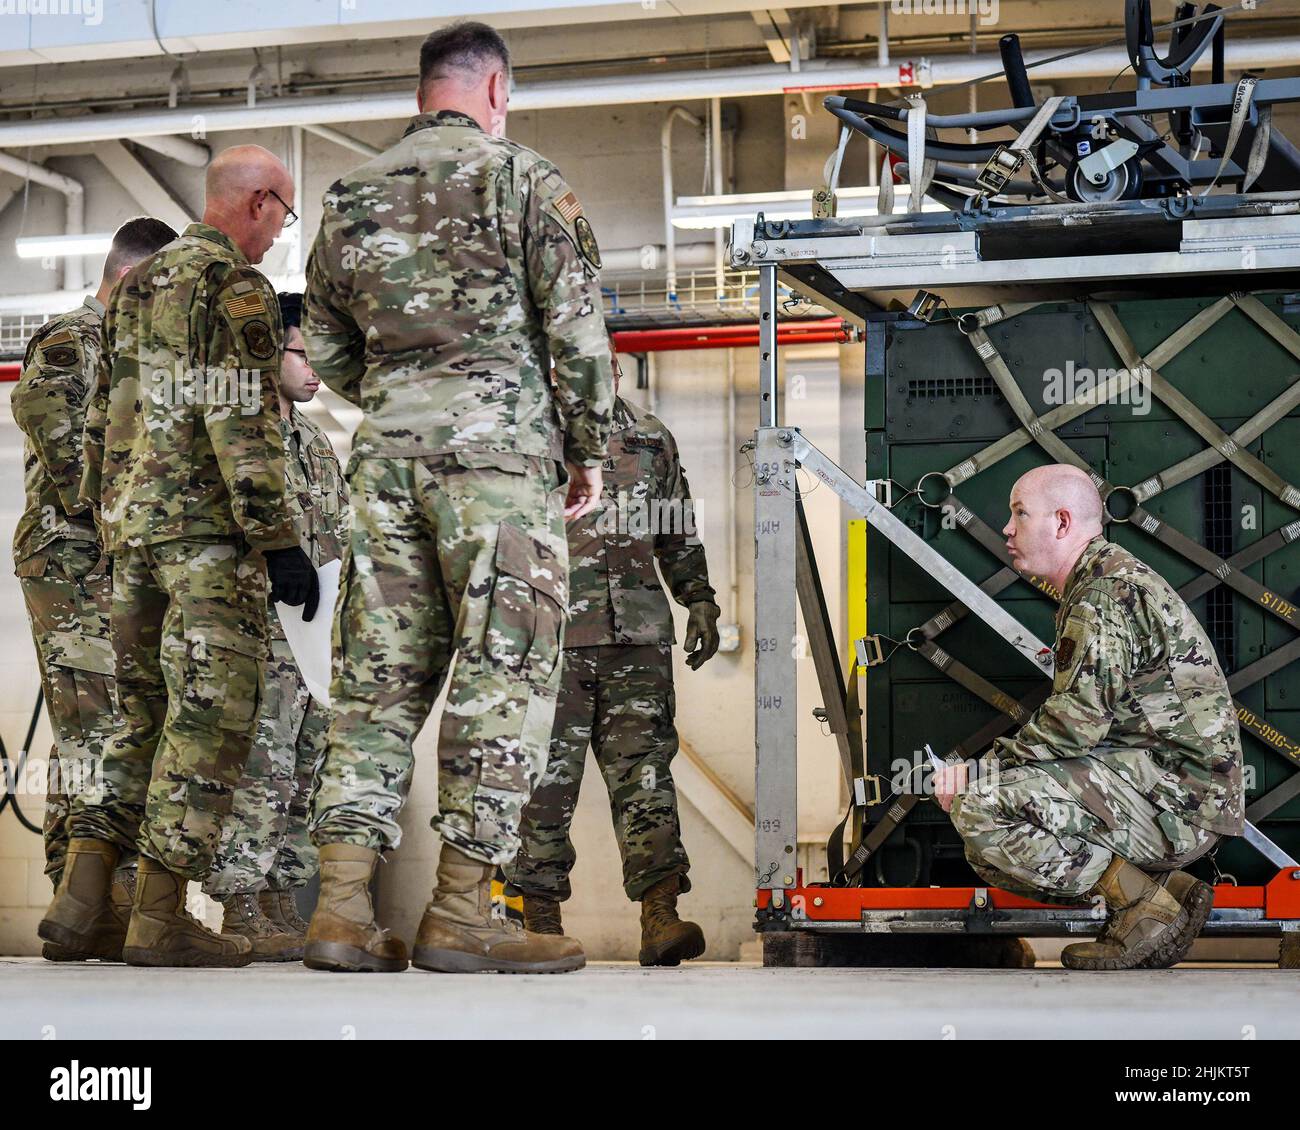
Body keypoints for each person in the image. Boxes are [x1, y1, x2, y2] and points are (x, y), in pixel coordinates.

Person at [302, 20, 613, 975]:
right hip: (498, 472)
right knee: (503, 674)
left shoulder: (350, 193)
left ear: (427, 87)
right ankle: (460, 912)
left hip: (385, 467)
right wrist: (588, 450)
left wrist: (403, 408)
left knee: (375, 686)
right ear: (495, 91)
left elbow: (321, 350)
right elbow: (579, 334)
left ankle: (342, 912)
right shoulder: (525, 179)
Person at [38, 145, 318, 969]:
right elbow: (245, 424)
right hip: (205, 547)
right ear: (259, 202)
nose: (276, 236)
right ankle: (158, 916)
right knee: (208, 720)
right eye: (283, 215)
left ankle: (82, 897)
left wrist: (104, 506)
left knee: (135, 721)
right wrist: (278, 538)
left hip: (131, 543)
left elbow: (98, 419)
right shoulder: (235, 287)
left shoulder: (136, 289)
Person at [934, 463, 1243, 970]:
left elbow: (1076, 722)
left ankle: (1144, 908)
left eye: (1019, 514)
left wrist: (982, 769)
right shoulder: (1103, 580)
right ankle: (1162, 892)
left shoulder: (1101, 595)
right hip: (1170, 788)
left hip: (1178, 801)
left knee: (979, 807)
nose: (1007, 528)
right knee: (983, 845)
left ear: (1061, 522)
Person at [507, 344, 720, 966]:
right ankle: (540, 922)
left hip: (637, 640)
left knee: (646, 776)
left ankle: (661, 917)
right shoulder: (525, 436)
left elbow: (676, 527)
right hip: (549, 640)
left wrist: (699, 598)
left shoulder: (652, 439)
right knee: (547, 783)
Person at [13, 217, 177, 960]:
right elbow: (66, 450)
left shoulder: (123, 349)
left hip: (106, 563)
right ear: (135, 276)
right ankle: (85, 899)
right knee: (92, 728)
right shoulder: (72, 341)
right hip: (73, 560)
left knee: (98, 725)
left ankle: (89, 894)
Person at [202, 292, 346, 961]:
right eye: (301, 352)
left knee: (303, 768)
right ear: (269, 354)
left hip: (312, 643)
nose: (315, 368)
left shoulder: (315, 442)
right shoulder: (243, 437)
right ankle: (240, 902)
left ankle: (284, 898)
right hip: (257, 632)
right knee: (258, 768)